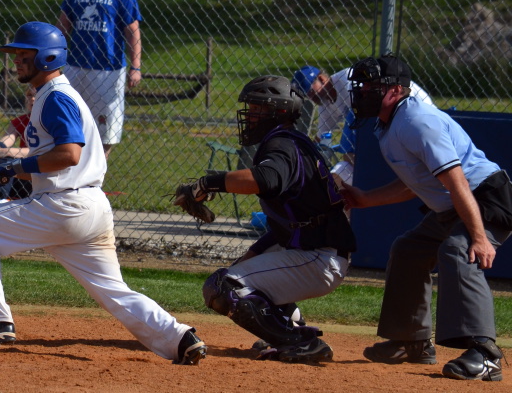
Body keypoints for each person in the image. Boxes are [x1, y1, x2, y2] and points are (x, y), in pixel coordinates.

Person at [0, 21, 206, 366]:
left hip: (65, 205)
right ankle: (179, 337)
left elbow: (70, 154)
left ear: (48, 57)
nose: (16, 62)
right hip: (89, 207)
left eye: (24, 55)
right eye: (17, 55)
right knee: (112, 290)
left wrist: (16, 169)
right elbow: (56, 155)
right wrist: (5, 163)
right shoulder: (53, 95)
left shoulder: (54, 96)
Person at [339, 55, 508, 382]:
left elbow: (456, 179)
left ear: (395, 91)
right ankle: (411, 341)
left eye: (370, 86)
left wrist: (479, 237)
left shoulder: (416, 121)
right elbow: (415, 182)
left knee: (459, 251)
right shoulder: (387, 124)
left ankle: (486, 355)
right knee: (408, 250)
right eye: (360, 86)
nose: (361, 93)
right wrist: (365, 199)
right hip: (455, 204)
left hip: (487, 198)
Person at [178, 75, 355, 364]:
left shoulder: (281, 144)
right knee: (239, 276)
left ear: (278, 111)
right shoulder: (293, 141)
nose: (250, 115)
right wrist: (252, 255)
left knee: (222, 286)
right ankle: (294, 329)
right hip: (317, 249)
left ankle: (299, 343)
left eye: (257, 108)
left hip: (318, 256)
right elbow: (291, 222)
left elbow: (266, 180)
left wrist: (208, 183)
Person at [58, 0, 142, 159]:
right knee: (68, 121)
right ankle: (70, 172)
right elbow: (63, 25)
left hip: (108, 69)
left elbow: (132, 30)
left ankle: (96, 180)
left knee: (106, 131)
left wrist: (136, 66)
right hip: (75, 64)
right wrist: (56, 55)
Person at [291, 64, 434, 185]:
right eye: (306, 94)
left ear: (321, 78)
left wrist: (349, 154)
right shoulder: (325, 105)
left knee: (352, 159)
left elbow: (361, 115)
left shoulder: (347, 79)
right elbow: (320, 140)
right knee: (338, 175)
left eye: (310, 90)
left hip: (418, 114)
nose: (310, 97)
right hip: (388, 132)